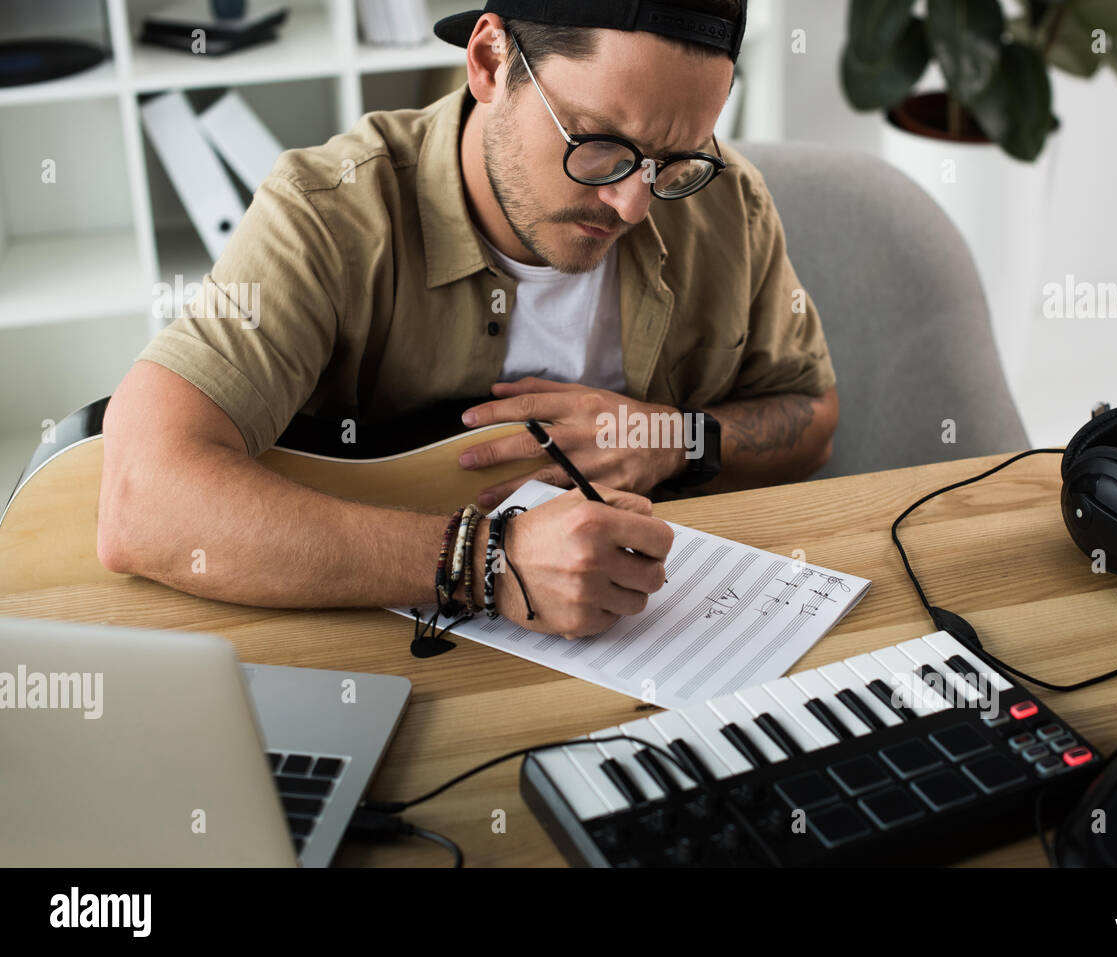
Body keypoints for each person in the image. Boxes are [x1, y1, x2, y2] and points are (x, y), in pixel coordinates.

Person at [97, 0, 838, 638]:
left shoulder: (727, 202)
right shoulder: (326, 215)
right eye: (600, 144)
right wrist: (486, 558)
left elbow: (811, 417)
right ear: (488, 61)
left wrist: (676, 438)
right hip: (389, 655)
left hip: (655, 641)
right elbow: (142, 496)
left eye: (675, 161)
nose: (634, 205)